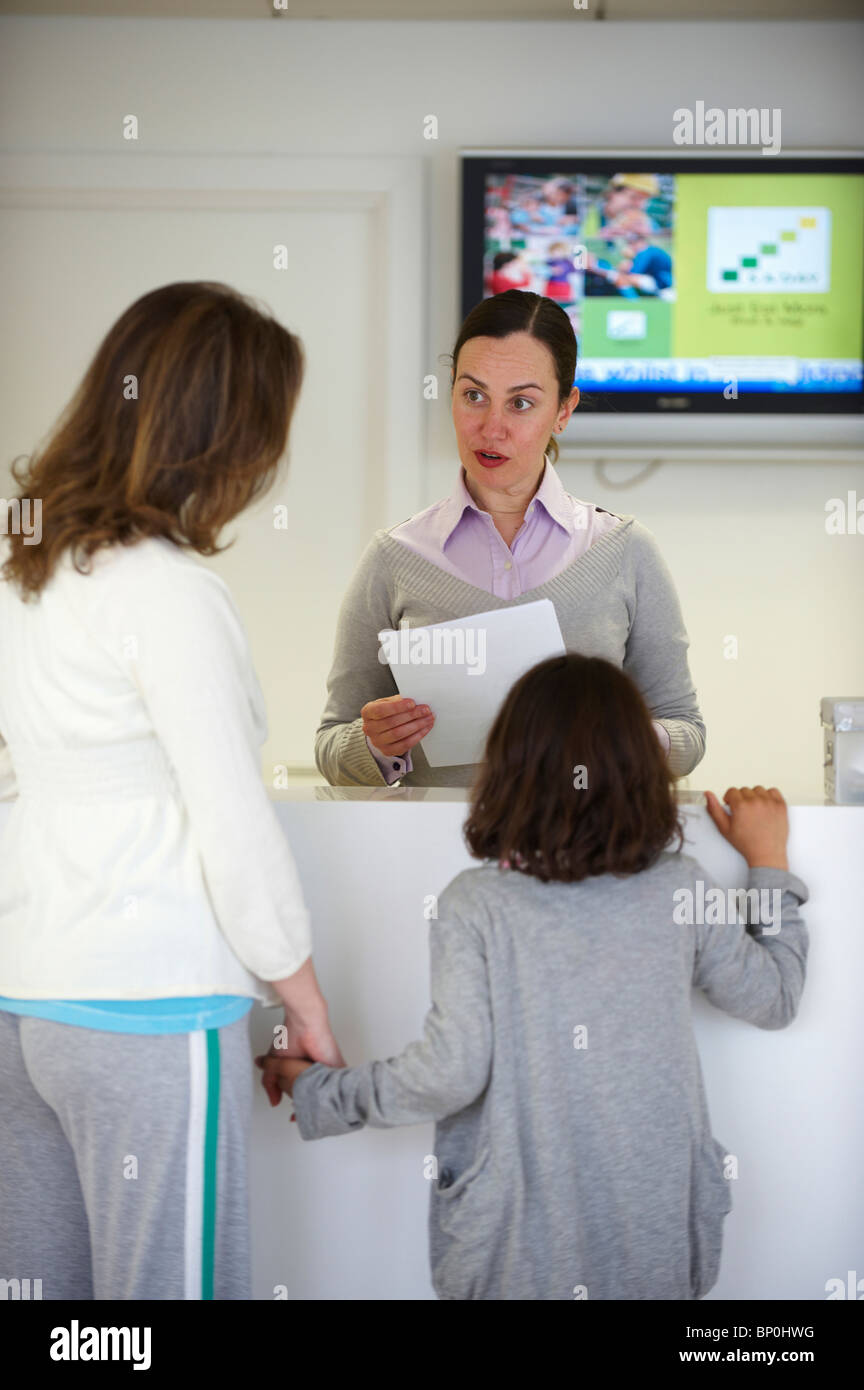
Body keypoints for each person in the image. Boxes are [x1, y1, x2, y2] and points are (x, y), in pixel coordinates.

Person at [261, 653, 809, 1301]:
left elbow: (448, 1074)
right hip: (657, 1247)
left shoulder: (477, 904)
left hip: (512, 1255)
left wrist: (322, 1091)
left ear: (508, 769)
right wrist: (769, 861)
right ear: (641, 770)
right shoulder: (678, 890)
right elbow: (774, 996)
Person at [0, 281, 344, 1301]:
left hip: (28, 1004)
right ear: (223, 441)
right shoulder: (172, 592)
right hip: (147, 1008)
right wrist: (304, 1003)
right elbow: (231, 823)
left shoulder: (27, 576)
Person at [315, 289, 705, 788]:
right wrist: (374, 745)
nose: (491, 428)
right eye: (473, 395)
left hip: (584, 857)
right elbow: (331, 747)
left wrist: (626, 736)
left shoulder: (625, 551)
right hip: (438, 858)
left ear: (564, 409)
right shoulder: (394, 558)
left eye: (521, 403)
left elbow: (687, 736)